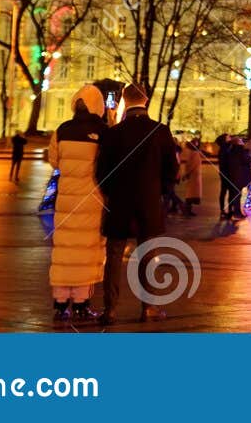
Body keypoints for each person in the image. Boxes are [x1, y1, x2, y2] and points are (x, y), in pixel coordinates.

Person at [95, 84, 180, 324]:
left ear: (125, 100)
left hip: (119, 204)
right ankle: (148, 307)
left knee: (113, 257)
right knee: (148, 256)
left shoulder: (113, 133)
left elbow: (101, 172)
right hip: (148, 204)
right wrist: (159, 193)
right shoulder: (160, 132)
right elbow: (171, 170)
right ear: (146, 100)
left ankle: (110, 309)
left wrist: (113, 193)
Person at [49, 85, 108, 325]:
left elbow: (54, 161)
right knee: (86, 251)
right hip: (91, 199)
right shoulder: (102, 131)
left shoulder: (62, 130)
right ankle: (82, 303)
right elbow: (107, 164)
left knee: (63, 250)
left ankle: (61, 302)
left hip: (65, 200)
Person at [179, 137, 204, 216]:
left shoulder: (194, 151)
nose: (197, 144)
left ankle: (188, 210)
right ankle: (186, 210)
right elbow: (190, 164)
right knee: (190, 194)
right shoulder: (192, 152)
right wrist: (186, 174)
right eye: (195, 142)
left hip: (195, 176)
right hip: (193, 176)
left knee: (191, 194)